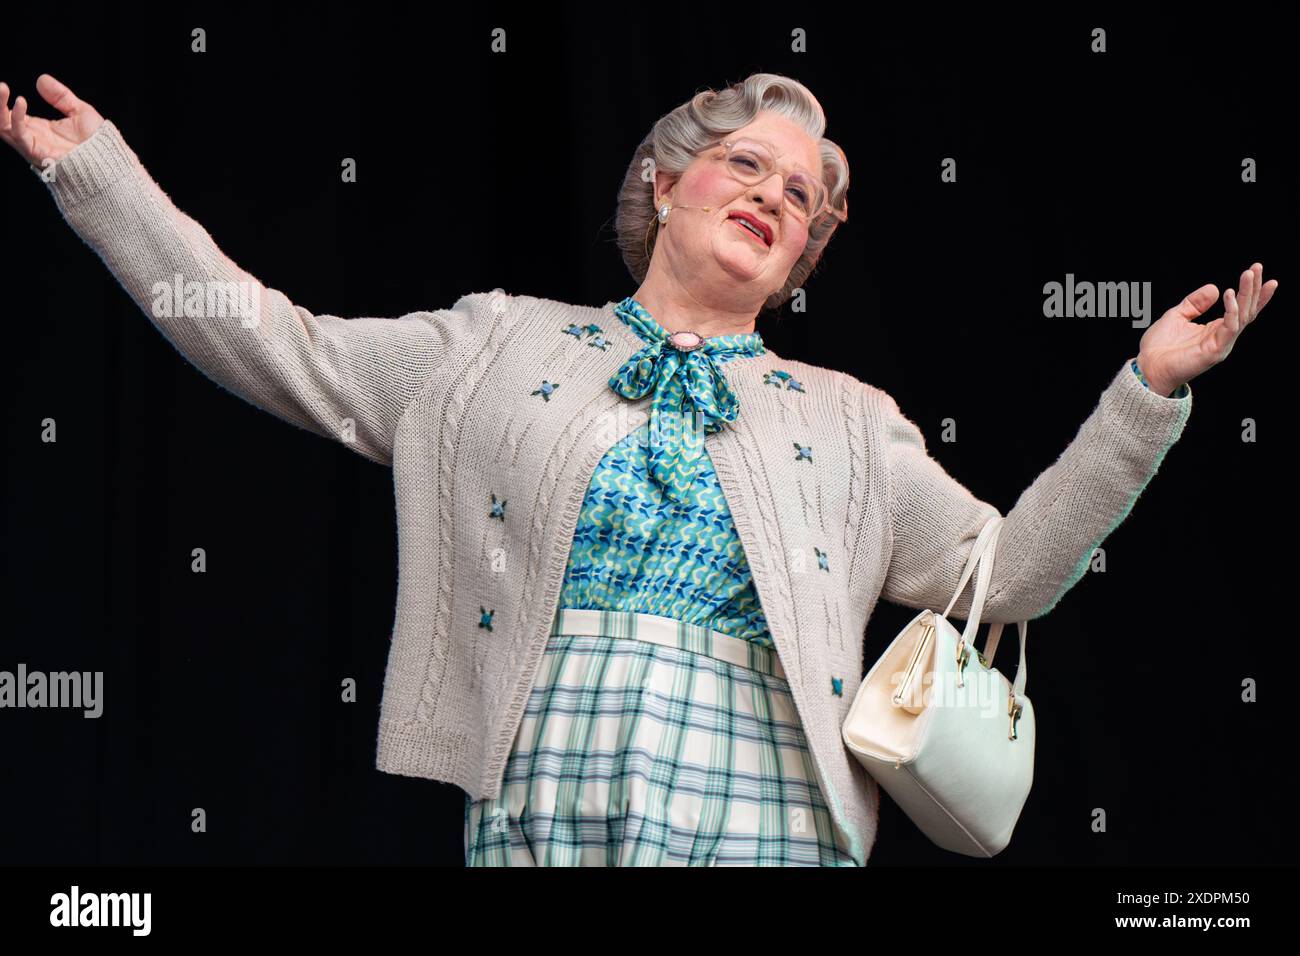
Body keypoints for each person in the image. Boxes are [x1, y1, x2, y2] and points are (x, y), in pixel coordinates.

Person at [1, 71, 1276, 866]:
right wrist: (101, 177)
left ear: (799, 265)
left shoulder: (847, 419)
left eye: (803, 202)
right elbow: (271, 338)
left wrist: (1144, 388)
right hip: (545, 794)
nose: (774, 197)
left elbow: (1010, 576)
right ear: (665, 186)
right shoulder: (497, 342)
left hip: (771, 811)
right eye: (746, 164)